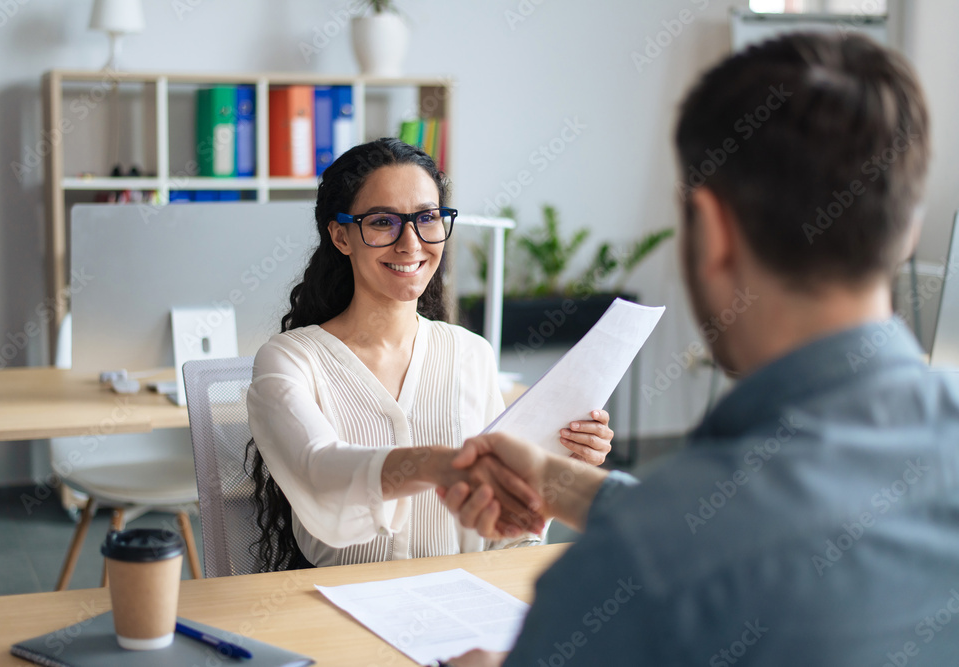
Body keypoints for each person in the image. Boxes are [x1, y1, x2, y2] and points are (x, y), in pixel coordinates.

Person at [436, 33, 959, 666]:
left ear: (711, 229)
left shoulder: (640, 565)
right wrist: (553, 480)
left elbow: (700, 536)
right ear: (907, 227)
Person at [245, 138, 613, 570]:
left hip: (460, 600)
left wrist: (558, 465)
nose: (411, 242)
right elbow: (319, 471)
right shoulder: (289, 360)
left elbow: (504, 533)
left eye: (427, 218)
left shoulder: (470, 353)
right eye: (383, 221)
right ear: (341, 235)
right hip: (342, 601)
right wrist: (438, 464)